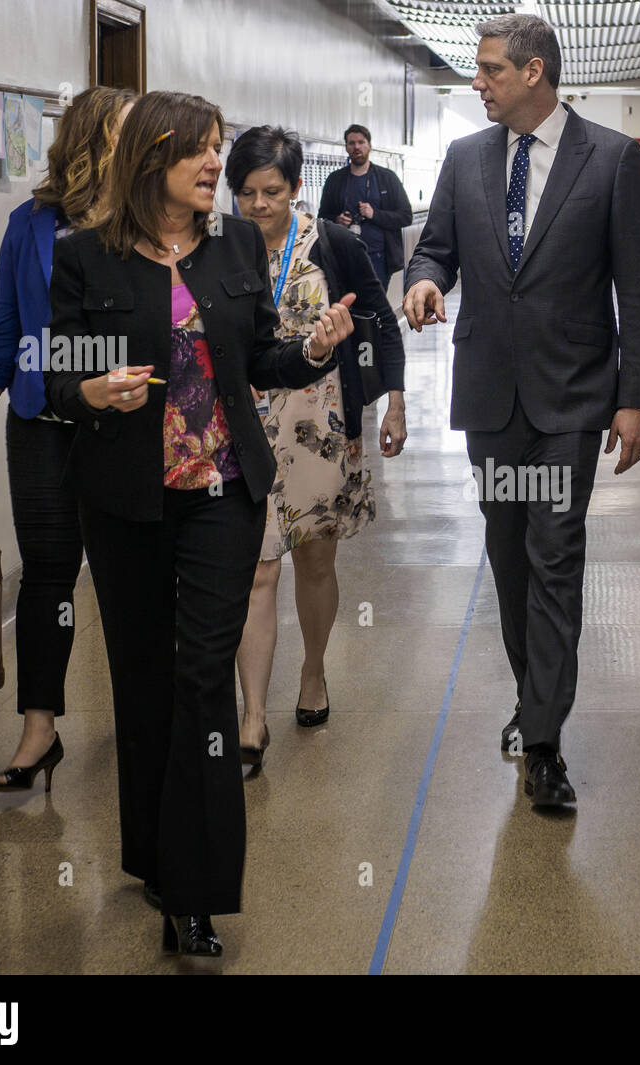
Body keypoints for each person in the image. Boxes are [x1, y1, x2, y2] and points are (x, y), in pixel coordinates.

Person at [43, 91, 352, 957]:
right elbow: (58, 376)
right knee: (142, 678)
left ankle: (195, 888)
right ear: (151, 161)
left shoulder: (233, 250)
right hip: (128, 498)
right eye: (199, 151)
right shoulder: (84, 260)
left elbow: (260, 357)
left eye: (217, 149)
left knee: (203, 675)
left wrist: (317, 348)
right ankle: (150, 849)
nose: (216, 164)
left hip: (224, 488)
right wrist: (90, 391)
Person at [404, 13, 640, 808]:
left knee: (556, 556)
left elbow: (638, 288)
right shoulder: (466, 157)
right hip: (490, 394)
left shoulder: (611, 159)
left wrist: (635, 399)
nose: (476, 82)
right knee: (509, 558)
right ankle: (532, 691)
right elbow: (435, 247)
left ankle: (544, 739)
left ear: (534, 72)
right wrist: (424, 281)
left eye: (489, 70)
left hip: (573, 396)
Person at [0, 85, 135, 794]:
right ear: (97, 141)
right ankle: (39, 726)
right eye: (130, 130)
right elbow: (5, 329)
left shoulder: (149, 222)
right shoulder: (28, 225)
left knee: (127, 577)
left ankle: (148, 718)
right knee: (48, 577)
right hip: (41, 427)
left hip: (123, 425)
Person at [226, 126, 406, 763]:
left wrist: (397, 402)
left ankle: (313, 669)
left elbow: (382, 319)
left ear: (296, 188)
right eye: (245, 193)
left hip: (322, 430)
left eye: (271, 191)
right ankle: (252, 715)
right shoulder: (223, 248)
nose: (258, 205)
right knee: (257, 571)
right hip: (244, 428)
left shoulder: (333, 244)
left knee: (316, 563)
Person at [318, 124, 413, 291]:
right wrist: (336, 220)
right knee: (348, 306)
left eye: (361, 142)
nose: (356, 147)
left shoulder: (387, 178)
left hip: (378, 258)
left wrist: (374, 214)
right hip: (344, 256)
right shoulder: (335, 180)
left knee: (375, 309)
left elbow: (405, 216)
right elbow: (322, 217)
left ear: (369, 145)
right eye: (351, 143)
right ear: (346, 147)